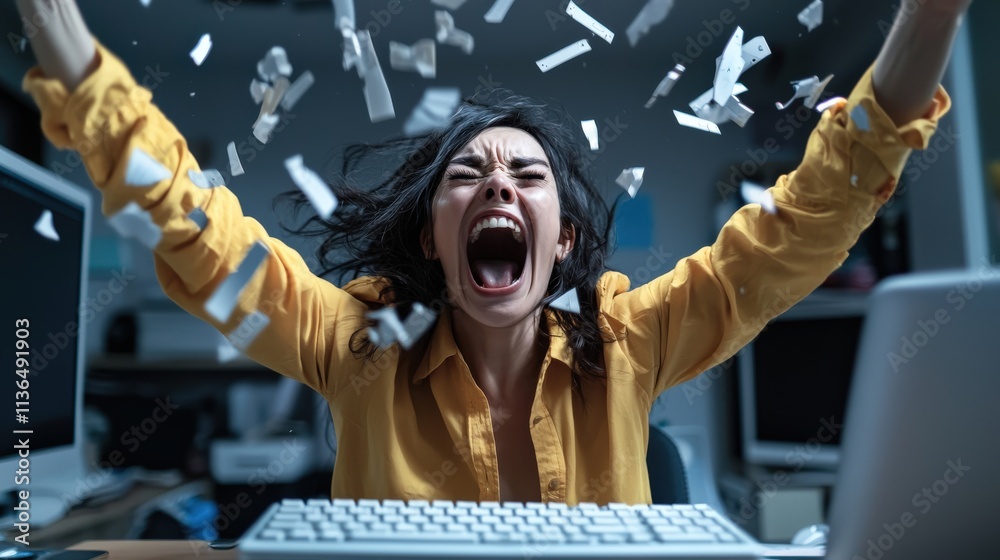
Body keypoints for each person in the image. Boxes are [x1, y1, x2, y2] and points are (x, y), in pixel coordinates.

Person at [15, 0, 968, 504]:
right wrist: (64, 39)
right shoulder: (354, 345)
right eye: (467, 175)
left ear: (563, 241)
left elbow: (803, 224)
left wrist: (930, 16)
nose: (499, 186)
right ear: (434, 236)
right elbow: (198, 233)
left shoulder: (633, 340)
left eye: (528, 175)